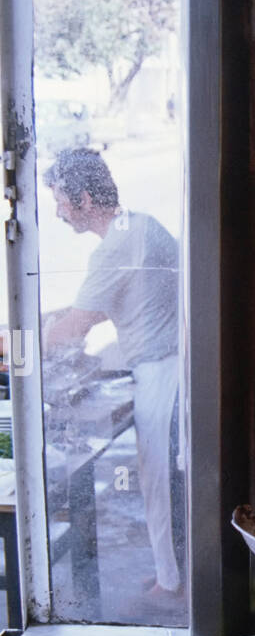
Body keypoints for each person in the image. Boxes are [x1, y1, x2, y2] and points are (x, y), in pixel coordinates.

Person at [43, 149, 183, 603]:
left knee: (161, 482)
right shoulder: (138, 227)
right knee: (165, 481)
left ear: (84, 198)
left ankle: (174, 586)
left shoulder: (116, 245)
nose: (58, 210)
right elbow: (101, 307)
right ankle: (174, 576)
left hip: (164, 376)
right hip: (172, 367)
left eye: (61, 199)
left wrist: (20, 342)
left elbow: (76, 326)